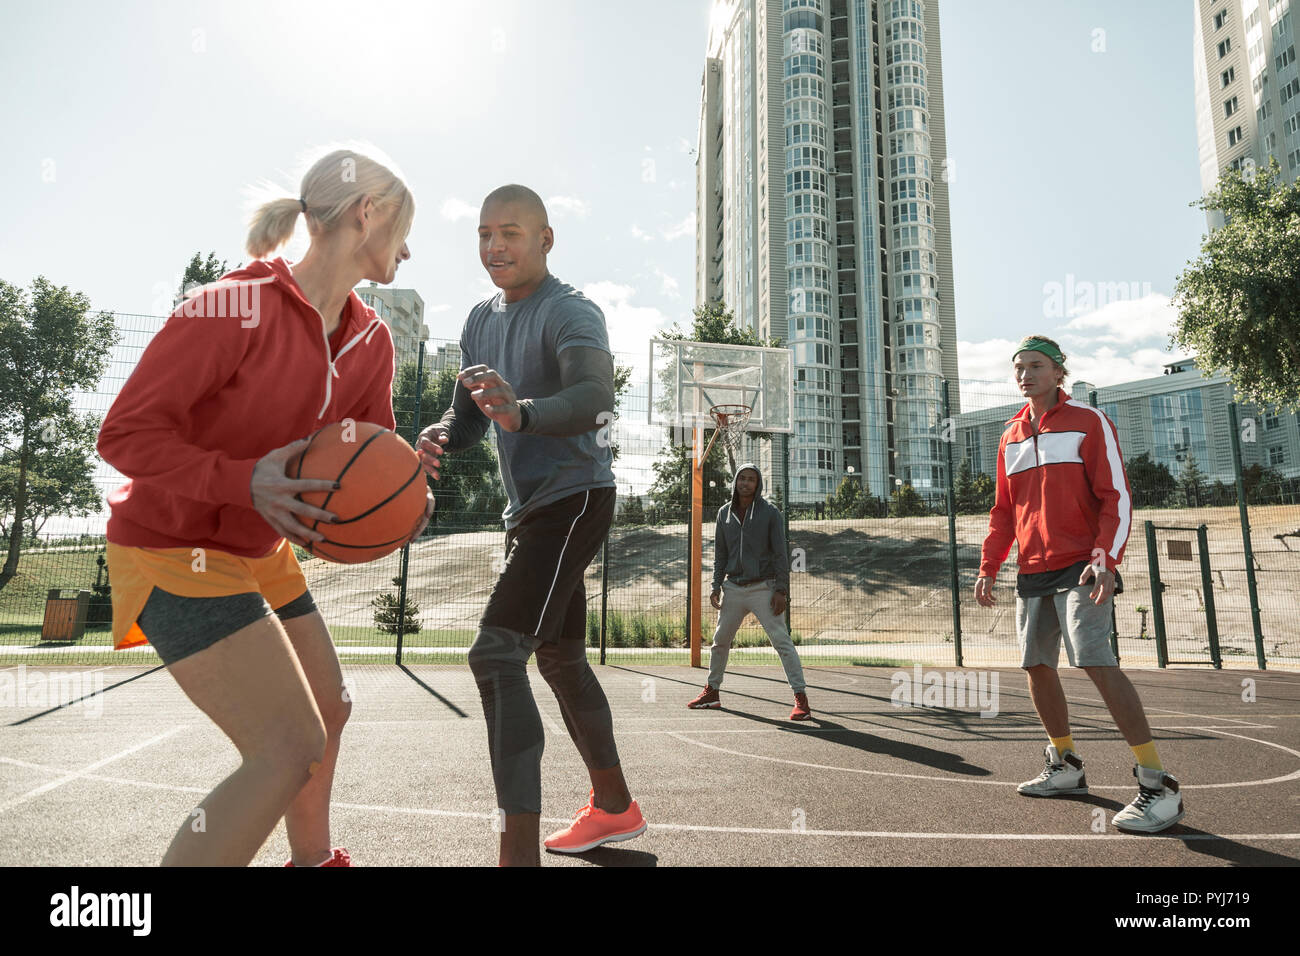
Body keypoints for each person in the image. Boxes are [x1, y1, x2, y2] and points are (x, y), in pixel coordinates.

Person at [97, 147, 432, 866]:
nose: (408, 248)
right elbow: (122, 434)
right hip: (169, 543)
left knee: (330, 710)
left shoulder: (372, 342)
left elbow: (365, 462)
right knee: (286, 746)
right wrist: (241, 480)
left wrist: (407, 496)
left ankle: (313, 864)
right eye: (401, 226)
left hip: (259, 551)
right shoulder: (232, 305)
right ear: (365, 214)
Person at [416, 184, 645, 867]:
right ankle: (614, 809)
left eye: (510, 233)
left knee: (494, 655)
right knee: (561, 657)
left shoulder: (571, 310)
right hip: (528, 511)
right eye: (484, 234)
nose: (494, 247)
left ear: (546, 239)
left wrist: (526, 413)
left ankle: (516, 856)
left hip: (574, 497)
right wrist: (442, 433)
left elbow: (595, 399)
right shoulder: (480, 322)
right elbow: (468, 418)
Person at [975, 335, 1184, 833]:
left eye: (1036, 365)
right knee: (1036, 665)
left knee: (1092, 658)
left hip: (1083, 564)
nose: (1025, 374)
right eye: (1019, 367)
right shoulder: (1010, 437)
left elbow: (1117, 497)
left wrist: (1106, 558)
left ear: (1059, 372)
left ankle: (1158, 784)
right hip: (1033, 567)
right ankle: (1066, 764)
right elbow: (1004, 512)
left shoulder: (1089, 422)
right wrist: (988, 566)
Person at [688, 464, 810, 721]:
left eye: (751, 480)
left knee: (782, 642)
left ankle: (801, 699)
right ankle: (712, 692)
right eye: (741, 478)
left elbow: (780, 554)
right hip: (733, 588)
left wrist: (781, 590)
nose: (745, 483)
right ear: (735, 482)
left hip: (763, 587)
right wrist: (715, 585)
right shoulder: (724, 514)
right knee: (720, 641)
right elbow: (720, 554)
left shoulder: (770, 513)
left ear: (758, 484)